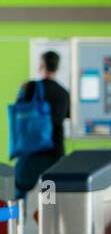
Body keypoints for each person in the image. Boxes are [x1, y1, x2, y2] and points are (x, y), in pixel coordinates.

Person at [14, 50, 70, 198]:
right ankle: (47, 214)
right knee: (48, 199)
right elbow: (66, 116)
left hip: (32, 152)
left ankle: (16, 213)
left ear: (41, 66)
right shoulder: (63, 93)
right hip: (54, 155)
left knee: (19, 192)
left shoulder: (30, 87)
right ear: (57, 68)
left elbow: (18, 111)